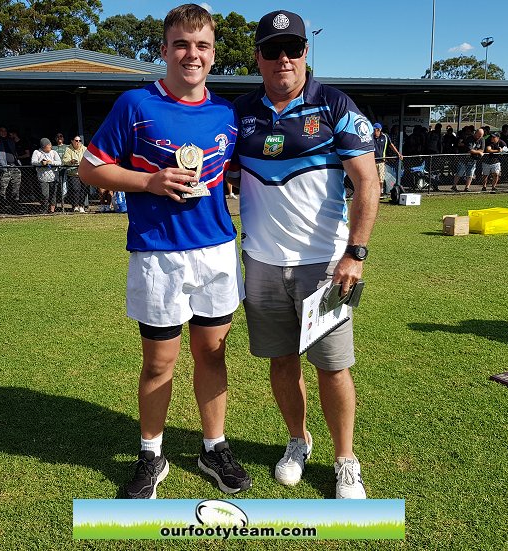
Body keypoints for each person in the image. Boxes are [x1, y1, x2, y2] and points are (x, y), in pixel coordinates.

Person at [78, 3, 250, 499]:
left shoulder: (226, 114)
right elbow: (90, 169)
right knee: (159, 363)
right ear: (164, 50)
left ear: (213, 54)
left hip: (216, 250)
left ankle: (213, 447)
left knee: (213, 355)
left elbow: (238, 172)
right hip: (157, 254)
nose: (191, 55)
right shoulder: (135, 104)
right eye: (181, 44)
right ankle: (151, 455)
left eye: (201, 46)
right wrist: (148, 181)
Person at [228, 9, 379, 499]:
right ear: (258, 57)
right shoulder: (240, 111)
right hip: (263, 264)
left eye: (292, 49)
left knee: (333, 366)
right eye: (272, 51)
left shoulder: (334, 105)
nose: (283, 59)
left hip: (325, 266)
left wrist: (356, 253)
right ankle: (298, 441)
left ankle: (345, 459)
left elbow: (368, 182)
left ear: (305, 53)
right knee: (280, 362)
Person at [0, 126, 21, 210]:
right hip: (4, 167)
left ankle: (15, 203)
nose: (3, 132)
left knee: (16, 186)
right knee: (2, 187)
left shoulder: (10, 141)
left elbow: (18, 145)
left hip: (14, 166)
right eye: (1, 131)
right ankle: (2, 204)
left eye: (5, 131)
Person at [31, 138, 62, 214]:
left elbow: (59, 162)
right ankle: (44, 208)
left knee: (53, 194)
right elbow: (33, 162)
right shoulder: (37, 152)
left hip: (53, 177)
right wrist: (41, 163)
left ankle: (52, 210)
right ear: (43, 146)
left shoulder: (54, 152)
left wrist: (51, 162)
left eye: (50, 144)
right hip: (43, 177)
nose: (50, 146)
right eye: (48, 145)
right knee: (45, 194)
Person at [372, 123, 402, 196]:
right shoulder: (370, 137)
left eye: (374, 129)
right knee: (372, 178)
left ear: (379, 130)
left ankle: (381, 192)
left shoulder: (385, 137)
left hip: (381, 161)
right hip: (371, 162)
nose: (373, 131)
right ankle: (373, 192)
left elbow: (391, 145)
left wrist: (398, 153)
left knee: (381, 178)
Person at [62, 135, 86, 212]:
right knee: (76, 189)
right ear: (72, 141)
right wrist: (71, 161)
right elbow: (64, 160)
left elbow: (89, 158)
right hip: (73, 173)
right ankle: (75, 206)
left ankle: (82, 206)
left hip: (84, 173)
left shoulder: (85, 149)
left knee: (83, 190)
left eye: (79, 141)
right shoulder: (68, 149)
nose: (78, 142)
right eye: (76, 140)